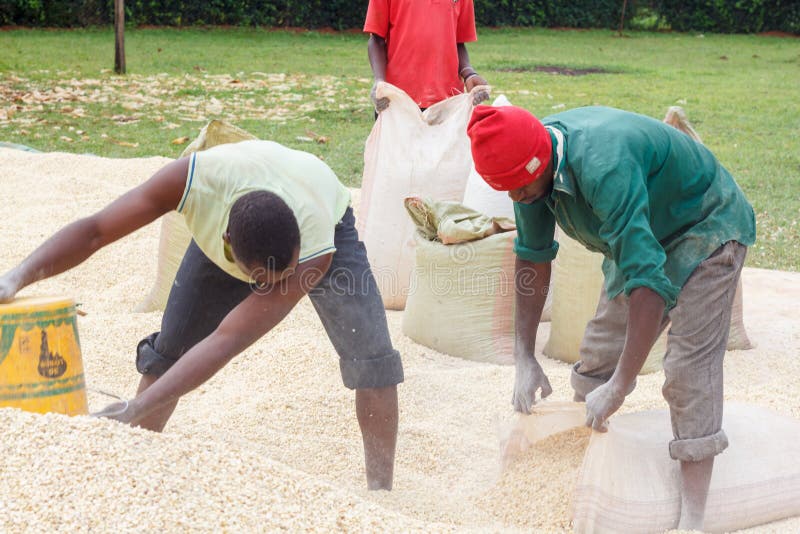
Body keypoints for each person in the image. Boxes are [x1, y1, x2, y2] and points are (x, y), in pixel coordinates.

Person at [0, 139, 404, 491]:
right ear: (226, 241)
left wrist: (133, 407)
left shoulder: (316, 247)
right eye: (260, 280)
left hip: (320, 217)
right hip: (239, 221)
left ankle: (381, 494)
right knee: (171, 348)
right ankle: (130, 467)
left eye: (276, 280)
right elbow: (95, 231)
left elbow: (227, 339)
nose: (267, 289)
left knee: (371, 355)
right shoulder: (191, 181)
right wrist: (16, 277)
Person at [467, 105, 755, 529]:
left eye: (521, 190)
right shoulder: (525, 169)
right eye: (508, 192)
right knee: (600, 350)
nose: (517, 199)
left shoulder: (603, 165)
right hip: (643, 230)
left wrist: (622, 385)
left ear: (540, 161)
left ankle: (693, 518)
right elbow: (532, 258)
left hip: (705, 224)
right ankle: (589, 467)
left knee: (688, 367)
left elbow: (648, 281)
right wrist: (524, 357)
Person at [364, 0, 489, 113]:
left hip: (448, 102)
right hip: (396, 99)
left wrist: (469, 73)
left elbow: (457, 41)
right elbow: (376, 39)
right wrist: (379, 81)